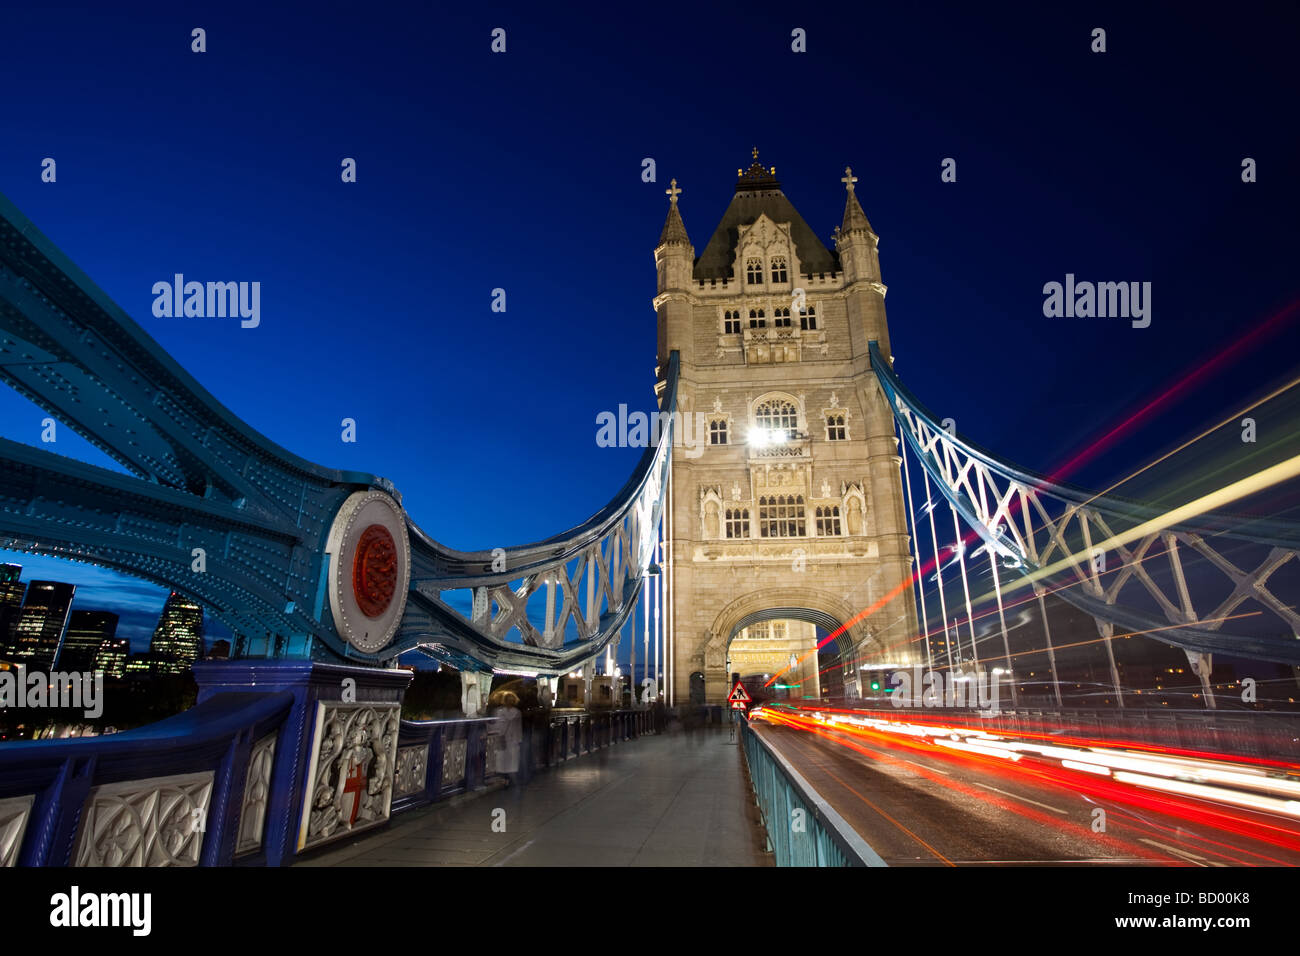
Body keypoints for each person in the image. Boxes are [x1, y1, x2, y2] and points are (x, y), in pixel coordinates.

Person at [487, 689, 523, 786]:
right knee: (511, 761)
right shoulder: (517, 712)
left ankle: (503, 778)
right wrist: (519, 739)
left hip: (503, 738)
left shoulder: (499, 712)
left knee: (502, 759)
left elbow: (497, 726)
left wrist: (487, 728)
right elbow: (518, 727)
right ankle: (510, 779)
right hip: (513, 740)